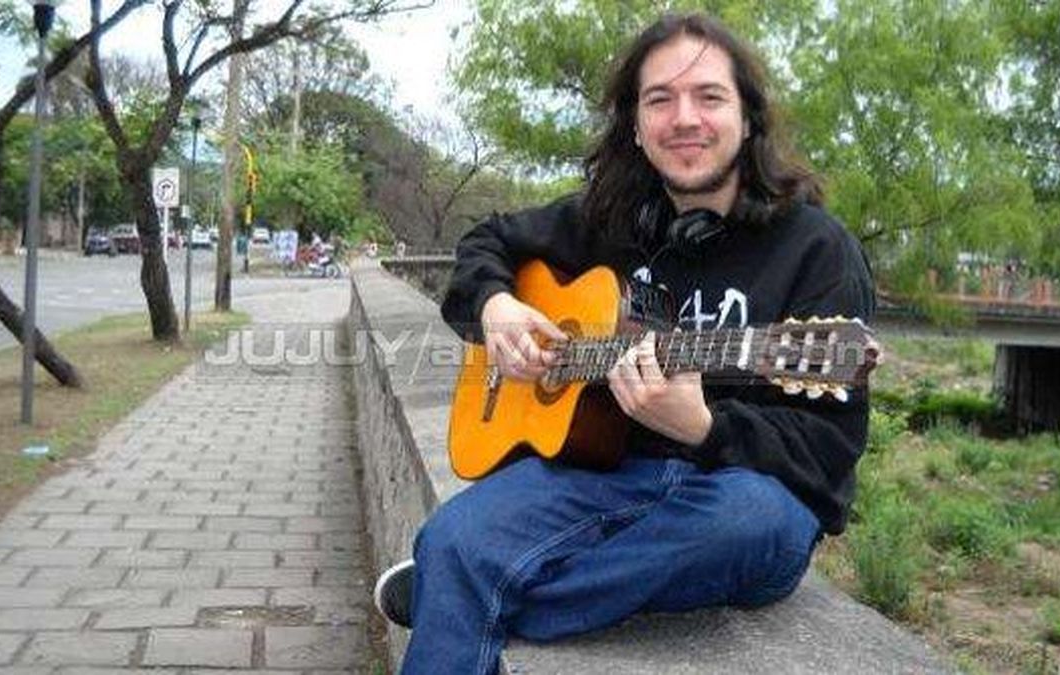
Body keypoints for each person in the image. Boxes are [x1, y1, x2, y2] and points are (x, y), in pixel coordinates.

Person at [374, 12, 875, 675]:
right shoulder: (608, 220)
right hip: (602, 472)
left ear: (748, 118)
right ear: (636, 125)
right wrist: (495, 306)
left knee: (743, 523)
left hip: (736, 493)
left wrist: (705, 428)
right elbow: (485, 243)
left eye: (709, 96)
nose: (684, 118)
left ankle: (457, 589)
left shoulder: (818, 249)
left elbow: (828, 450)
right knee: (452, 533)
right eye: (660, 99)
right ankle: (458, 575)